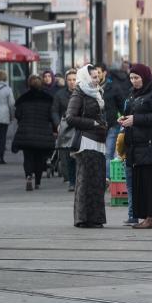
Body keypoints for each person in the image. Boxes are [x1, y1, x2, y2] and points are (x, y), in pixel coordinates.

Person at [119, 64, 152, 229]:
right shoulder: (134, 93)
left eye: (136, 78)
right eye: (131, 78)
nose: (134, 81)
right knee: (142, 182)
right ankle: (147, 216)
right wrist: (126, 119)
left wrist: (135, 119)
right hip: (137, 145)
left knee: (151, 182)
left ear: (145, 77)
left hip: (151, 144)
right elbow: (134, 112)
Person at [65, 65, 109, 228]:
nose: (97, 79)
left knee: (97, 181)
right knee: (85, 181)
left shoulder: (97, 93)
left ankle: (96, 218)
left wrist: (103, 122)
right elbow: (70, 117)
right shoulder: (79, 92)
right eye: (94, 77)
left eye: (98, 76)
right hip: (86, 141)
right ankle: (83, 219)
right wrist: (93, 123)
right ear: (85, 77)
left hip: (98, 139)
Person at [12, 75, 58, 191]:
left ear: (29, 84)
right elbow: (51, 116)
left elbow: (17, 115)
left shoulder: (23, 99)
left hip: (26, 133)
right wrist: (54, 129)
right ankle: (37, 181)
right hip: (42, 133)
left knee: (28, 157)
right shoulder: (48, 99)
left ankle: (28, 176)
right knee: (40, 158)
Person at [53, 69, 76, 192]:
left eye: (74, 79)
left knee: (78, 155)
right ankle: (72, 181)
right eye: (70, 80)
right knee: (68, 156)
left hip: (80, 127)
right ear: (66, 81)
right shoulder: (60, 94)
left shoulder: (83, 93)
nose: (72, 82)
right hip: (66, 128)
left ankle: (78, 180)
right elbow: (54, 111)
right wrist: (57, 124)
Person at [101, 64, 130, 161]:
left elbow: (122, 105)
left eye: (98, 73)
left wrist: (124, 119)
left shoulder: (113, 87)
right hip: (98, 125)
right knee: (102, 153)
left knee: (108, 152)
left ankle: (107, 176)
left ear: (104, 73)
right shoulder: (92, 88)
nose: (96, 76)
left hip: (112, 124)